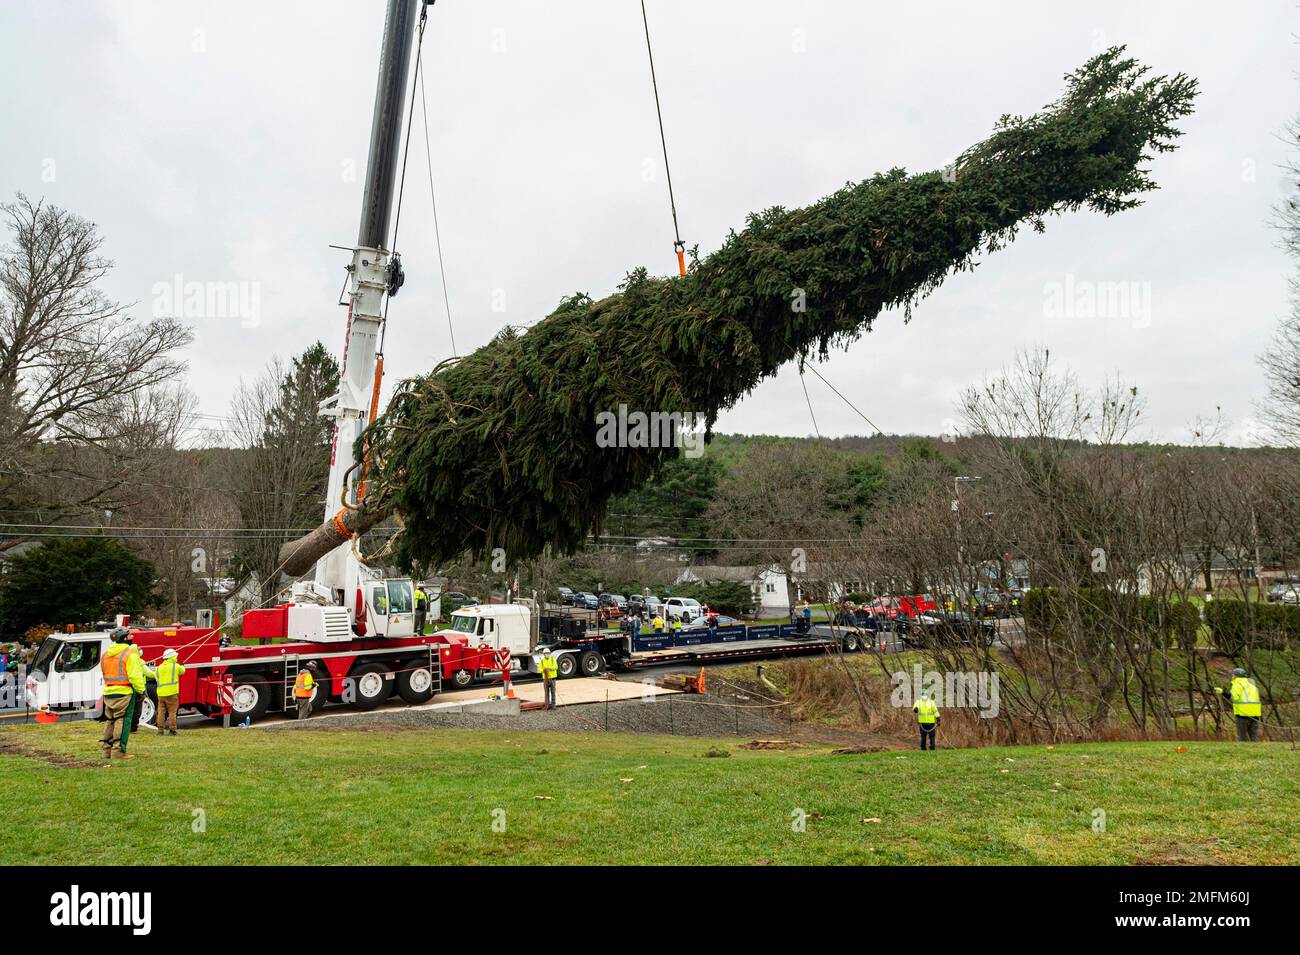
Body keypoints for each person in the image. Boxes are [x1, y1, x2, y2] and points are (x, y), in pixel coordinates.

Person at [100, 627, 145, 761]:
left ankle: (106, 751)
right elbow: (135, 677)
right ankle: (119, 751)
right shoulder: (129, 654)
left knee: (110, 721)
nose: (131, 638)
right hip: (124, 692)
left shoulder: (106, 654)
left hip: (108, 692)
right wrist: (141, 691)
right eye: (129, 636)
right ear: (124, 639)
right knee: (123, 721)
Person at [1218, 667, 1262, 742]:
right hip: (1255, 714)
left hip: (1242, 714)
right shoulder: (1252, 686)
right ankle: (1257, 751)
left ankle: (1243, 751)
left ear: (1236, 676)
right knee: (1254, 736)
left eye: (1233, 675)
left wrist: (1222, 692)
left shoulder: (1237, 685)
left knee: (1242, 737)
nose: (1232, 677)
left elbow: (1233, 697)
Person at [154, 648, 185, 736]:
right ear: (171, 657)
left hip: (161, 694)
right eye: (175, 656)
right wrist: (182, 665)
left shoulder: (158, 668)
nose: (176, 658)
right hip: (172, 693)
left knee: (161, 712)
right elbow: (182, 671)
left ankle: (160, 731)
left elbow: (156, 678)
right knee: (172, 712)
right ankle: (172, 730)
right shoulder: (176, 666)